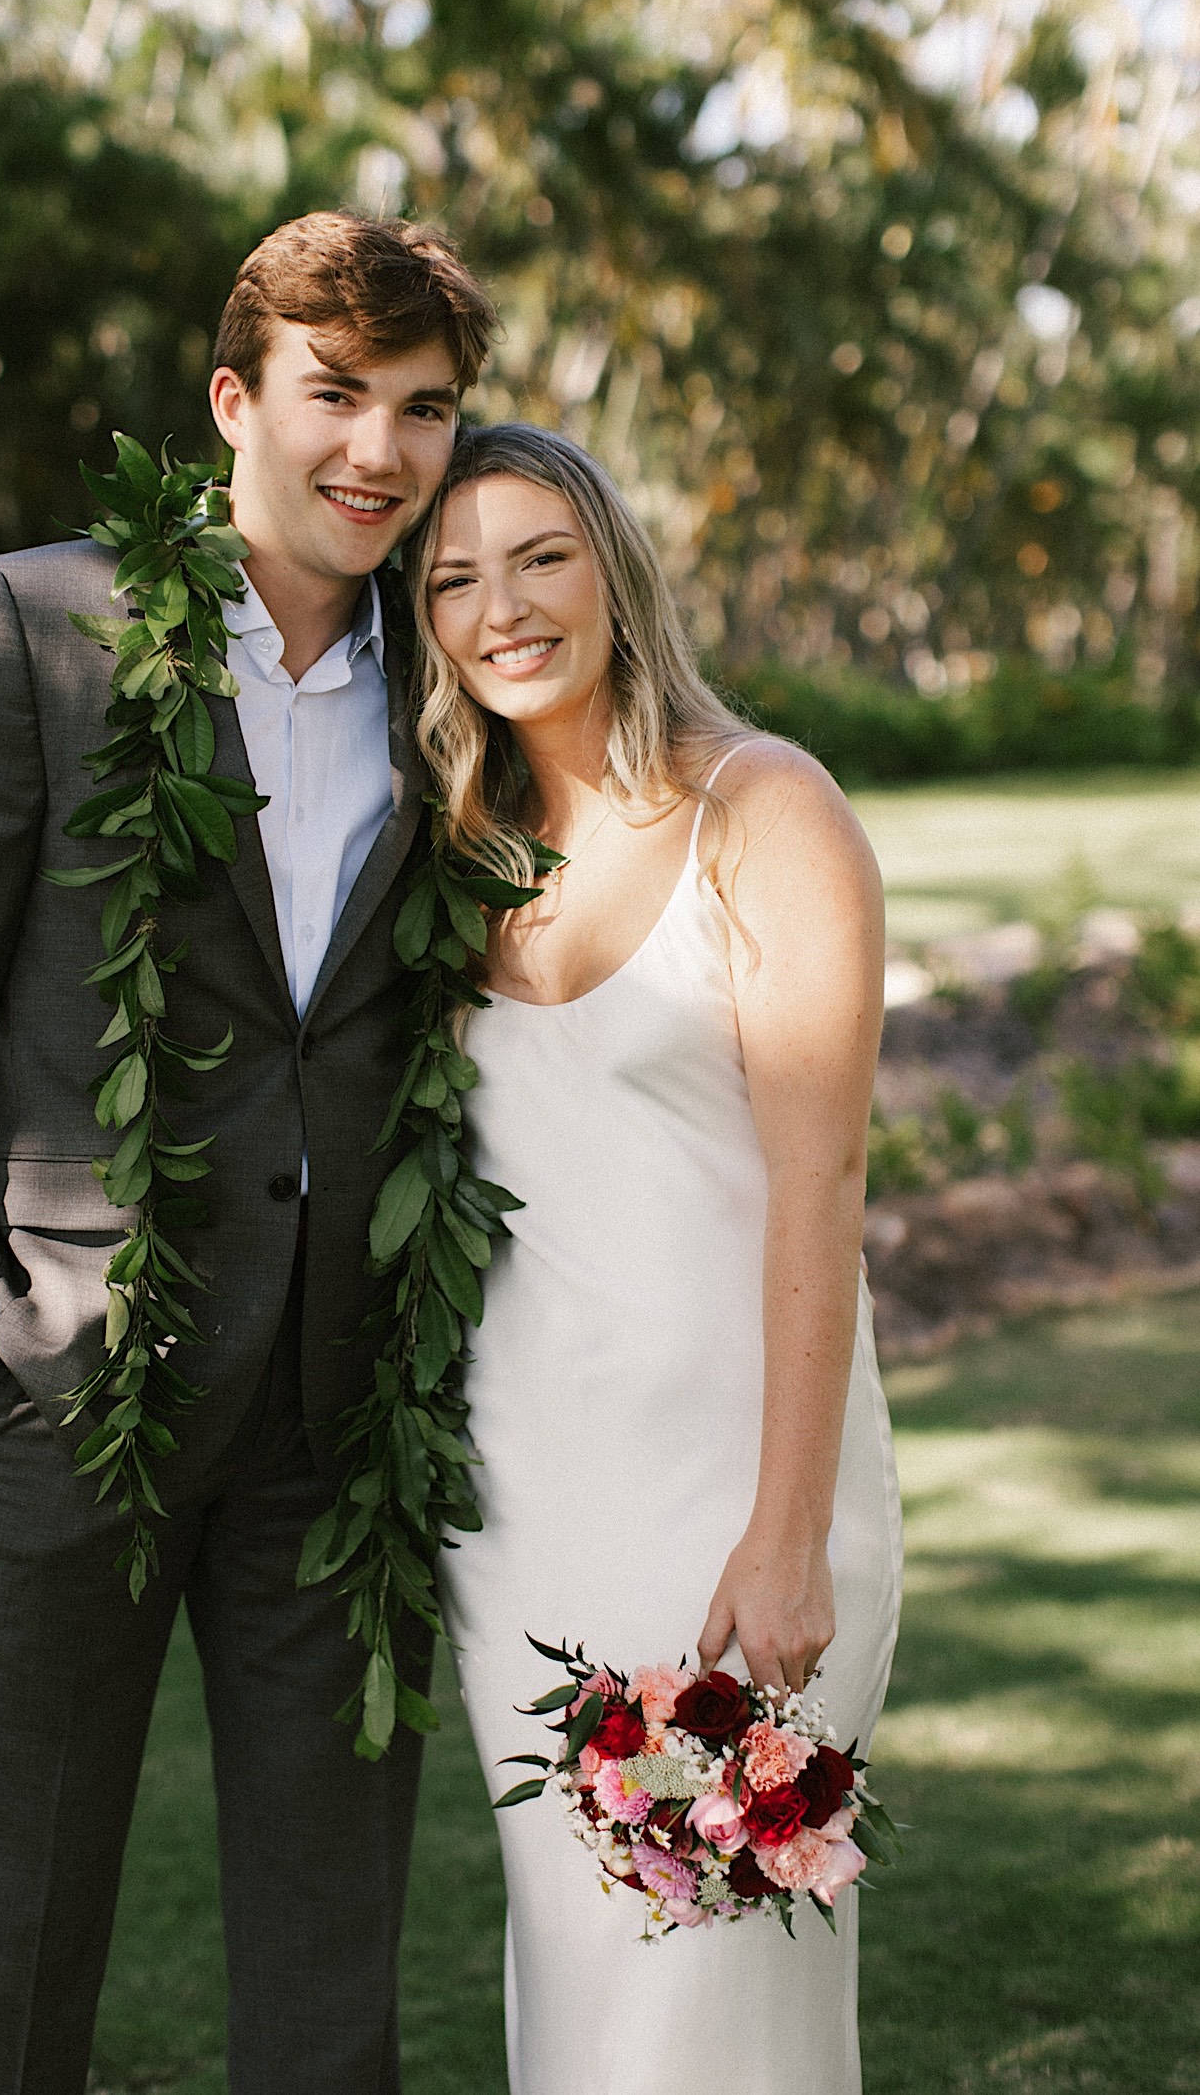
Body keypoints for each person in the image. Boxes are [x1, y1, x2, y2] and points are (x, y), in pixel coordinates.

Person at [0, 211, 496, 2095]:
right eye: (335, 392)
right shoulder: (21, 628)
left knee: (331, 1989)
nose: (378, 449)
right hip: (65, 1392)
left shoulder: (452, 676)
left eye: (424, 408)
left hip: (340, 1419)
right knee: (3, 1968)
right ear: (232, 398)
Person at [412, 424, 903, 2094]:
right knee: (581, 1990)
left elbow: (821, 1184)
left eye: (541, 556)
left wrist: (789, 1531)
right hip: (527, 1506)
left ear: (615, 572)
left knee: (716, 2011)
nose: (503, 607)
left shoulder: (764, 809)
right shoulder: (453, 856)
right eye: (454, 577)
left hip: (740, 1491)